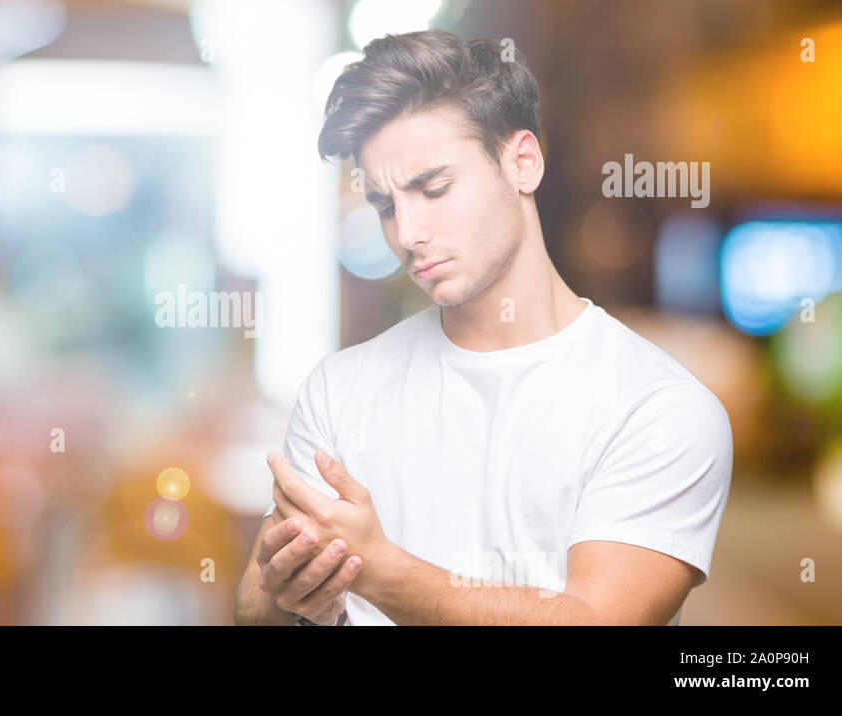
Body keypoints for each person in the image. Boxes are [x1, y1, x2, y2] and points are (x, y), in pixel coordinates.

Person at [234, 29, 732, 626]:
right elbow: (255, 609)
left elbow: (598, 620)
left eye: (433, 188)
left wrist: (382, 573)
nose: (407, 233)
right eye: (386, 206)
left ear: (522, 162)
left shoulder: (657, 407)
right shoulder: (339, 389)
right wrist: (282, 590)